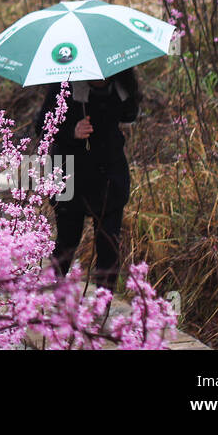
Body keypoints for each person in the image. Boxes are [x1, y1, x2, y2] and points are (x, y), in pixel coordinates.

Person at [36, 68, 140, 293]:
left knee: (109, 245)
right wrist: (71, 130)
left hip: (109, 173)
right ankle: (53, 300)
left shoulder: (123, 83)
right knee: (67, 240)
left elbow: (130, 114)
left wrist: (128, 95)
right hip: (69, 170)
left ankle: (104, 307)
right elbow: (41, 126)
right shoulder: (64, 83)